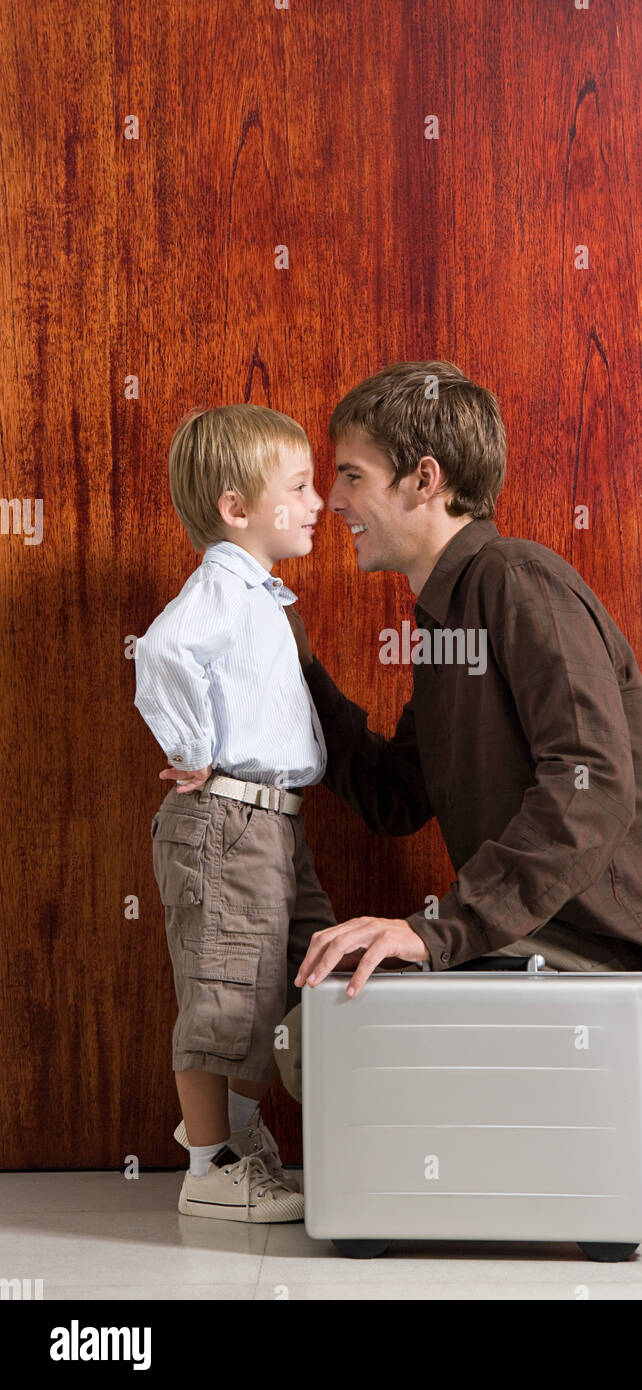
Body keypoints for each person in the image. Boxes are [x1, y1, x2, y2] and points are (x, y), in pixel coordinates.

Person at [273, 361, 642, 1201]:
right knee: (315, 1035)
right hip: (538, 945)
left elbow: (588, 790)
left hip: (609, 964)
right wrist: (291, 662)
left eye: (350, 475)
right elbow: (392, 795)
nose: (333, 501)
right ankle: (613, 1112)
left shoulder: (515, 579)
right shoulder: (447, 620)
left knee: (325, 1041)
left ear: (425, 481)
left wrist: (438, 932)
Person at [134, 404, 339, 1222]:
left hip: (272, 822)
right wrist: (193, 744)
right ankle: (208, 1166)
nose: (319, 500)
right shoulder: (221, 585)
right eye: (299, 487)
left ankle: (239, 1148)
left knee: (265, 984)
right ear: (235, 508)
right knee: (223, 988)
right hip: (228, 819)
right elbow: (161, 650)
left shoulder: (259, 593)